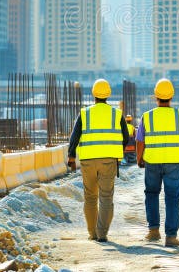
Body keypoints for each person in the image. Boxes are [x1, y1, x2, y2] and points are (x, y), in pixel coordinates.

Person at [66, 79, 129, 243]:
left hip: (88, 160)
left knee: (90, 197)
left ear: (93, 94)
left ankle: (92, 233)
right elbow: (126, 137)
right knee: (106, 197)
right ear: (108, 94)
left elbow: (75, 137)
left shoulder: (85, 113)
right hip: (108, 161)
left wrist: (71, 156)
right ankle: (102, 234)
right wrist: (117, 151)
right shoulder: (117, 114)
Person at [136, 78, 179, 248]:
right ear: (171, 96)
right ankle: (171, 237)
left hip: (152, 162)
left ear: (156, 97)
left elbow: (140, 141)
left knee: (152, 194)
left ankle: (153, 231)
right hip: (174, 163)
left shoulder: (147, 116)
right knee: (172, 198)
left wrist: (139, 159)